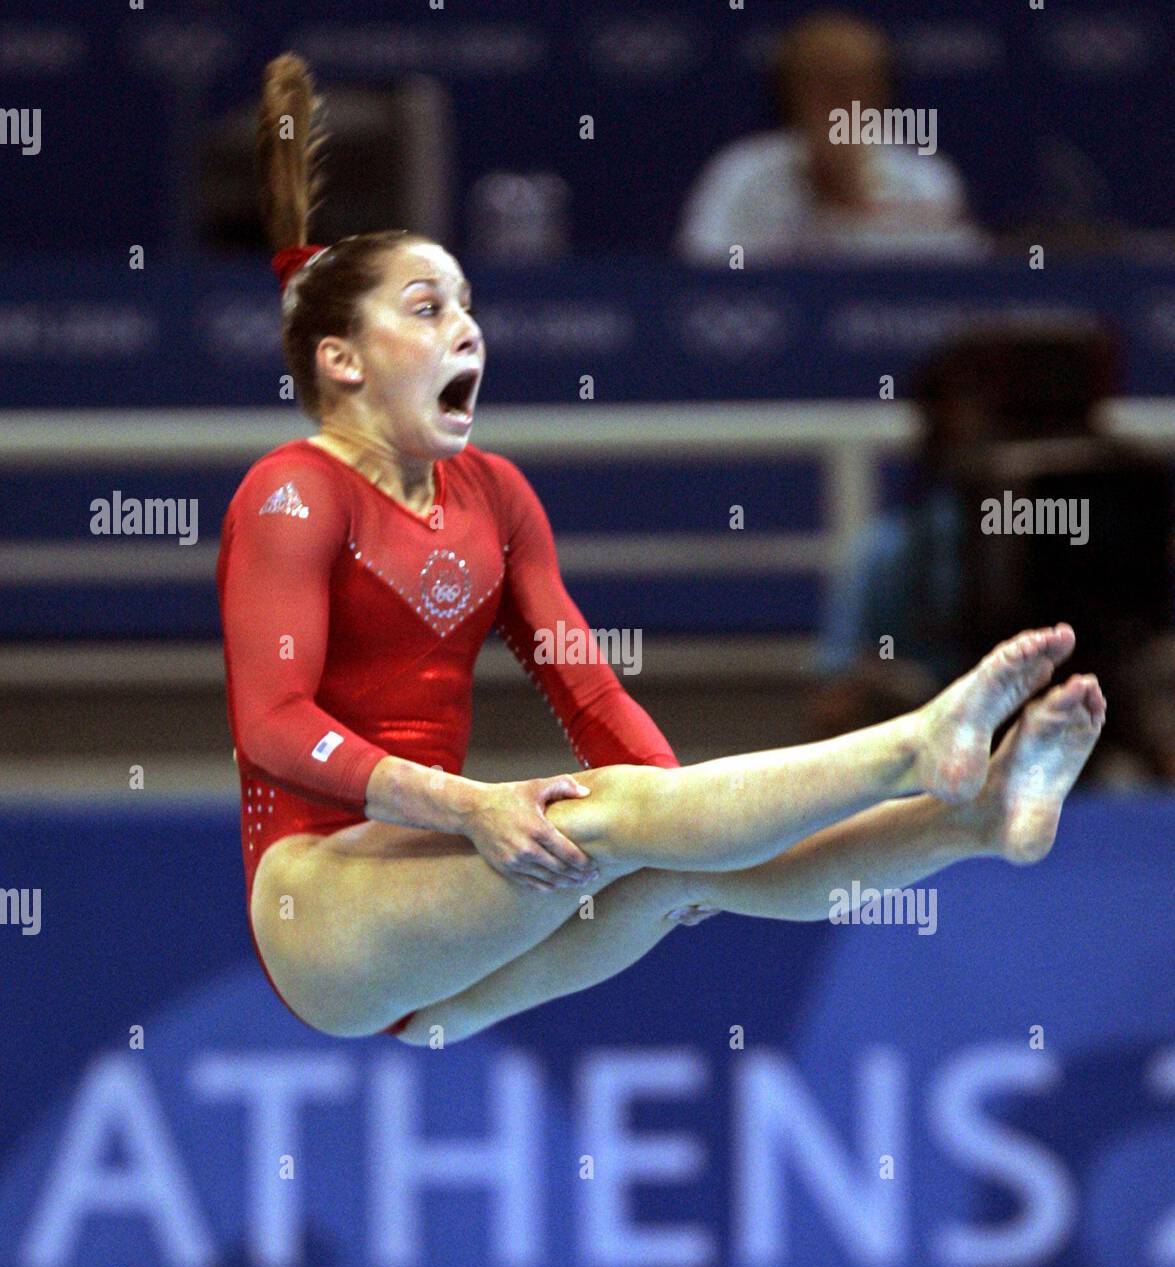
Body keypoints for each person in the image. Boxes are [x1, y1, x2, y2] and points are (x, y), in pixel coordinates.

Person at [216, 55, 1105, 1046]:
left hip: (453, 916)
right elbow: (275, 725)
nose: (465, 328)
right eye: (427, 308)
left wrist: (681, 814)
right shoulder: (292, 493)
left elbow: (589, 695)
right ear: (340, 359)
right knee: (598, 819)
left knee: (668, 851)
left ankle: (972, 821)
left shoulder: (495, 496)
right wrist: (470, 807)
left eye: (466, 303)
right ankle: (911, 745)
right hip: (321, 904)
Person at [677, 11, 985, 264]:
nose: (837, 98)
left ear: (883, 90)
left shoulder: (923, 175)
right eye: (818, 81)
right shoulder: (741, 170)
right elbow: (702, 268)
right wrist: (807, 217)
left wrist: (850, 210)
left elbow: (951, 281)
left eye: (853, 81)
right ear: (786, 89)